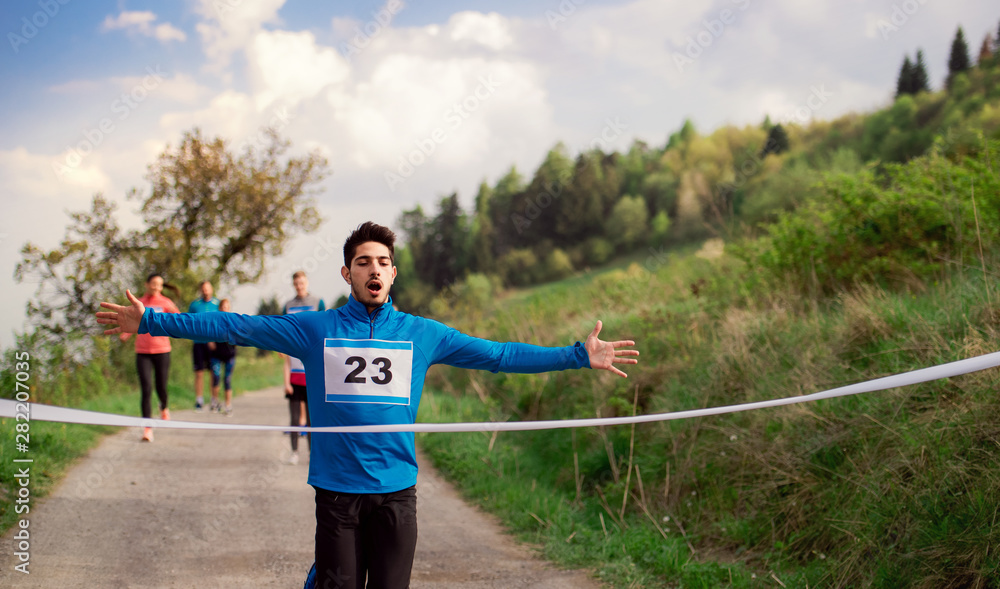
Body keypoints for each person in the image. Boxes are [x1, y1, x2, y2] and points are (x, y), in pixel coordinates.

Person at [97, 221, 639, 589]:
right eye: (363, 262)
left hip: (397, 496)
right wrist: (151, 319)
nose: (374, 269)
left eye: (383, 261)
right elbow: (234, 325)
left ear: (393, 273)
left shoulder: (422, 334)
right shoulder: (315, 328)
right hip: (337, 497)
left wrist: (575, 355)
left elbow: (498, 355)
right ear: (347, 274)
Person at [119, 273, 181, 442]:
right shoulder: (139, 303)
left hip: (162, 350)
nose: (156, 287)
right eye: (153, 284)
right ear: (146, 284)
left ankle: (164, 407)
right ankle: (147, 429)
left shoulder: (166, 303)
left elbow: (179, 320)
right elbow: (132, 323)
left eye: (159, 285)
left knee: (161, 386)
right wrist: (126, 334)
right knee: (146, 389)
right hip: (143, 352)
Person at [283, 271, 326, 464]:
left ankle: (312, 453)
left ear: (306, 282)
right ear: (294, 285)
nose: (299, 286)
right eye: (296, 283)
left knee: (312, 416)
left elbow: (325, 330)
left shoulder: (318, 302)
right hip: (294, 366)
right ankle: (294, 452)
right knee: (293, 416)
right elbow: (283, 330)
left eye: (302, 282)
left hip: (312, 368)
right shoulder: (288, 305)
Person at [188, 280, 220, 411]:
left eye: (208, 288)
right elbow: (188, 322)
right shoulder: (195, 305)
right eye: (203, 289)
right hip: (198, 343)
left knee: (214, 372)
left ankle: (214, 400)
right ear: (201, 290)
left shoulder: (217, 304)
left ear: (212, 289)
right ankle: (199, 400)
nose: (206, 291)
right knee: (199, 373)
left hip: (213, 344)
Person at [208, 298, 238, 416]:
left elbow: (239, 335)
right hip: (216, 354)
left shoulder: (234, 320)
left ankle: (228, 405)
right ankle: (215, 402)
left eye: (227, 307)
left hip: (230, 354)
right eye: (223, 307)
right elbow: (208, 332)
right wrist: (210, 341)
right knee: (216, 377)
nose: (224, 309)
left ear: (229, 308)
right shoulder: (215, 320)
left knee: (227, 380)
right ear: (219, 308)